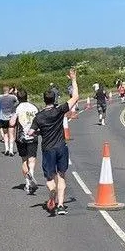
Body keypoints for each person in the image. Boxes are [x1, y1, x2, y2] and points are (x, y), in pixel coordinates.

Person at [32, 69, 79, 215]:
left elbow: (31, 132)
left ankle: (52, 191)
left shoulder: (39, 117)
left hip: (48, 149)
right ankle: (61, 205)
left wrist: (39, 132)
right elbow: (76, 97)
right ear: (54, 99)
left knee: (50, 177)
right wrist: (73, 79)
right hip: (61, 147)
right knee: (61, 176)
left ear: (44, 100)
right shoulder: (59, 110)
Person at [10, 88, 41, 193]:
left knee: (24, 160)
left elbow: (12, 123)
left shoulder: (17, 108)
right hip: (33, 135)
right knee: (32, 159)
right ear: (27, 97)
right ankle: (31, 174)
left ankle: (27, 184)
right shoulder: (34, 107)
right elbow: (39, 120)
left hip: (21, 137)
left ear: (18, 98)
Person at [0, 85, 19, 156]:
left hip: (3, 118)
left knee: (5, 134)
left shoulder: (0, 97)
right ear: (9, 90)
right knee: (11, 134)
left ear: (3, 91)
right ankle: (11, 150)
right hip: (11, 118)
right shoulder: (12, 97)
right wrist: (14, 93)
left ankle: (6, 149)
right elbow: (17, 102)